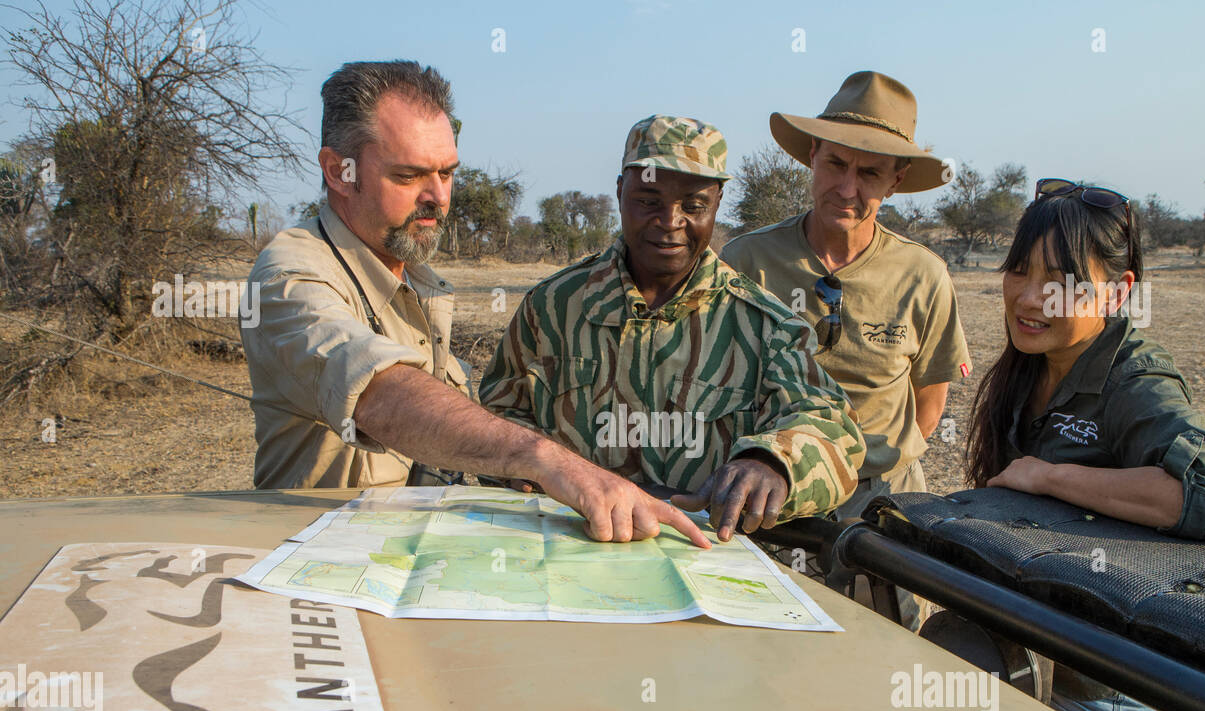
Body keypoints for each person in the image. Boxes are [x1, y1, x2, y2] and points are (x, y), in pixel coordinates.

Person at [241, 62, 708, 548]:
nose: (438, 198)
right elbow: (378, 390)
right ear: (340, 171)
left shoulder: (417, 274)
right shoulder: (290, 277)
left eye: (447, 173)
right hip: (321, 554)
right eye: (408, 176)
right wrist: (543, 459)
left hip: (413, 548)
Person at [960, 178, 1205, 711]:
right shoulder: (1032, 361)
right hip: (1026, 636)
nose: (1027, 297)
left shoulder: (1135, 378)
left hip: (1094, 679)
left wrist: (1048, 476)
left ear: (1117, 293)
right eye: (1019, 269)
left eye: (1060, 282)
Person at [478, 115, 866, 542]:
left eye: (693, 206)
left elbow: (833, 430)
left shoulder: (763, 324)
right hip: (567, 548)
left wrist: (772, 463)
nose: (670, 220)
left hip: (700, 559)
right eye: (648, 200)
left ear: (717, 203)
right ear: (620, 191)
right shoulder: (552, 307)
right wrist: (526, 466)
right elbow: (498, 410)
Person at [721, 71, 971, 626]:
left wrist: (868, 468)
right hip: (771, 499)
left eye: (870, 173)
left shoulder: (923, 275)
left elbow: (929, 399)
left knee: (886, 653)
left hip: (881, 507)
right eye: (836, 164)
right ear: (812, 156)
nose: (848, 187)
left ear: (897, 180)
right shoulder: (746, 262)